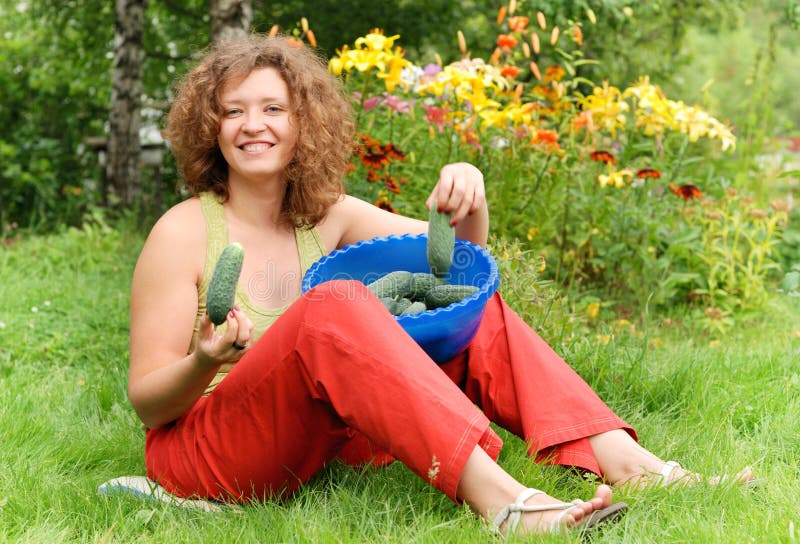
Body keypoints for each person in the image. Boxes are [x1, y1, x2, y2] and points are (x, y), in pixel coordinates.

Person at [127, 34, 753, 537]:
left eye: (271, 109)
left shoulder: (330, 214)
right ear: (211, 127)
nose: (251, 125)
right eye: (232, 111)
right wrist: (206, 358)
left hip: (308, 441)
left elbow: (456, 270)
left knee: (471, 316)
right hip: (205, 455)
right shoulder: (182, 234)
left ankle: (627, 462)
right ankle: (507, 506)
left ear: (303, 124)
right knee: (335, 306)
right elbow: (149, 403)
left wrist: (467, 190)